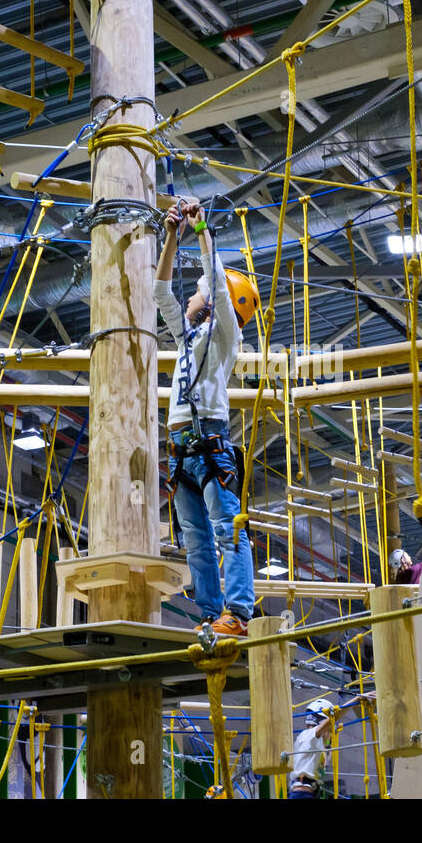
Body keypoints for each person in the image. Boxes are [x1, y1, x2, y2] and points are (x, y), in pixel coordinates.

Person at [155, 200, 261, 638]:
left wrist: (200, 230)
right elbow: (159, 293)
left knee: (226, 530)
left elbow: (215, 285)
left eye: (199, 292)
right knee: (196, 539)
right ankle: (210, 612)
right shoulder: (188, 335)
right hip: (182, 452)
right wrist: (169, 239)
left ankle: (236, 611)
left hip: (209, 442)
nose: (193, 297)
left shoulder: (224, 336)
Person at [289, 694, 373, 799]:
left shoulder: (311, 743)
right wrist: (357, 699)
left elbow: (326, 759)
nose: (330, 734)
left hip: (306, 793)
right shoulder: (309, 735)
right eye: (329, 730)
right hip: (302, 794)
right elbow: (335, 717)